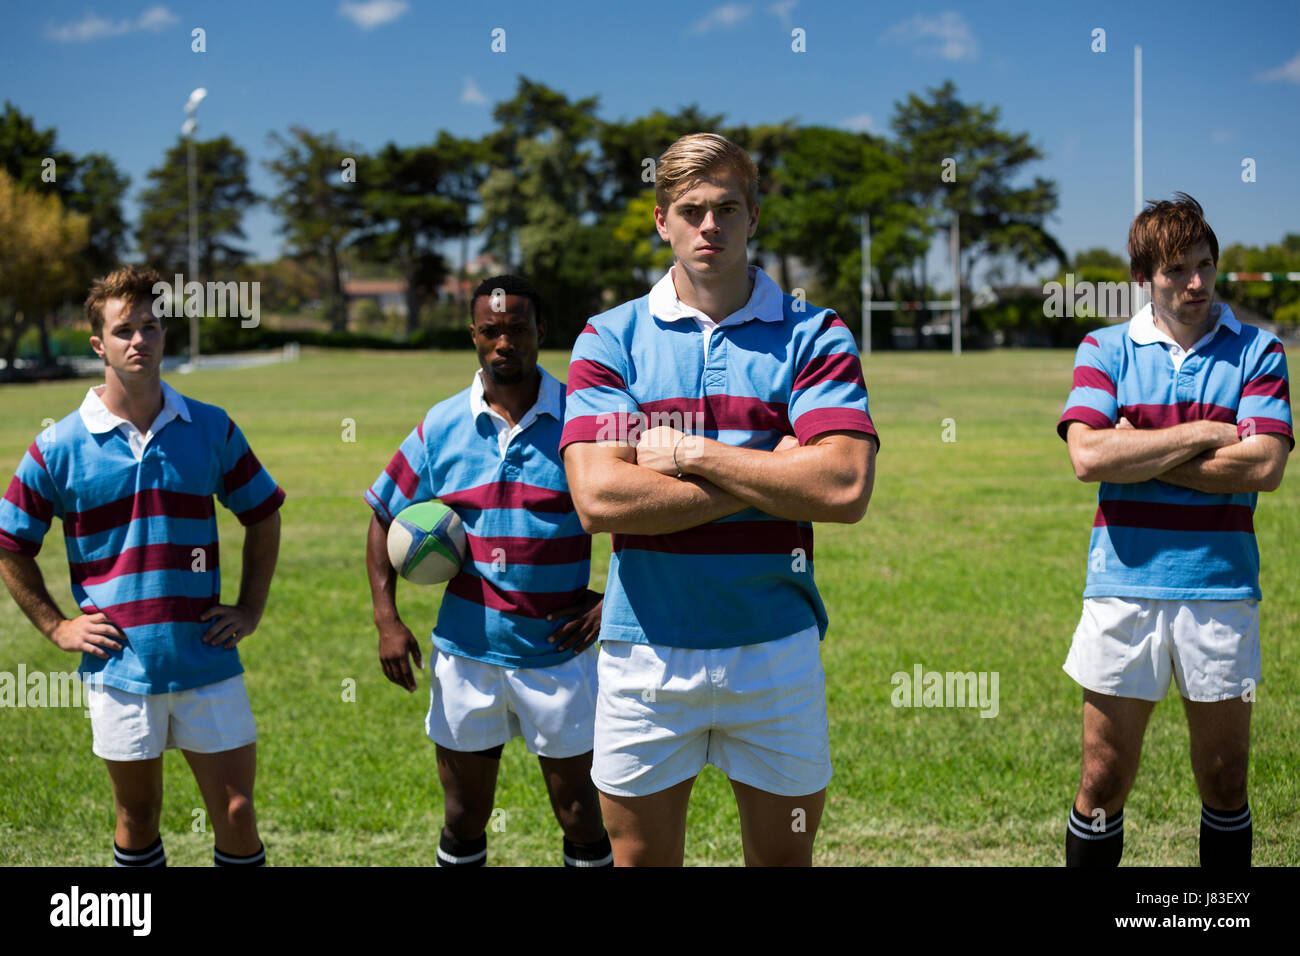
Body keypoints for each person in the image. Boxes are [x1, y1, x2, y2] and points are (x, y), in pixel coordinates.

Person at [560, 132, 878, 866]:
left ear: (754, 216)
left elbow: (844, 485)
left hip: (774, 649)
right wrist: (773, 469)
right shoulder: (608, 339)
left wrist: (691, 454)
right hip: (644, 655)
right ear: (660, 220)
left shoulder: (815, 333)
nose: (711, 226)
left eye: (727, 208)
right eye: (692, 210)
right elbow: (600, 498)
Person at [0, 265, 284, 867]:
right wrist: (57, 626)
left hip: (206, 656)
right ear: (97, 343)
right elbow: (10, 540)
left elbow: (262, 512)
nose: (140, 341)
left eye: (151, 327)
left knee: (236, 812)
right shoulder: (61, 444)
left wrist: (251, 608)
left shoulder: (209, 426)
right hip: (120, 667)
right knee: (138, 817)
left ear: (164, 334)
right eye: (124, 329)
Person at [1058, 193, 1292, 867]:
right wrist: (1205, 435)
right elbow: (1088, 456)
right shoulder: (1104, 347)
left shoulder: (1259, 350)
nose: (1195, 284)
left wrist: (1145, 451)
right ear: (1143, 278)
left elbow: (1266, 466)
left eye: (1205, 266)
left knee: (1225, 777)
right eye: (1175, 271)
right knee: (1101, 781)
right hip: (1121, 588)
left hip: (1219, 588)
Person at [365, 274, 612, 868]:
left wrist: (615, 599)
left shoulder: (583, 418)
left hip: (558, 655)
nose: (505, 343)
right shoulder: (441, 424)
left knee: (580, 811)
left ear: (541, 333)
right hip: (466, 654)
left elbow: (638, 511)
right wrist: (386, 618)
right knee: (463, 816)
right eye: (491, 330)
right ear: (473, 334)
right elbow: (382, 516)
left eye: (518, 329)